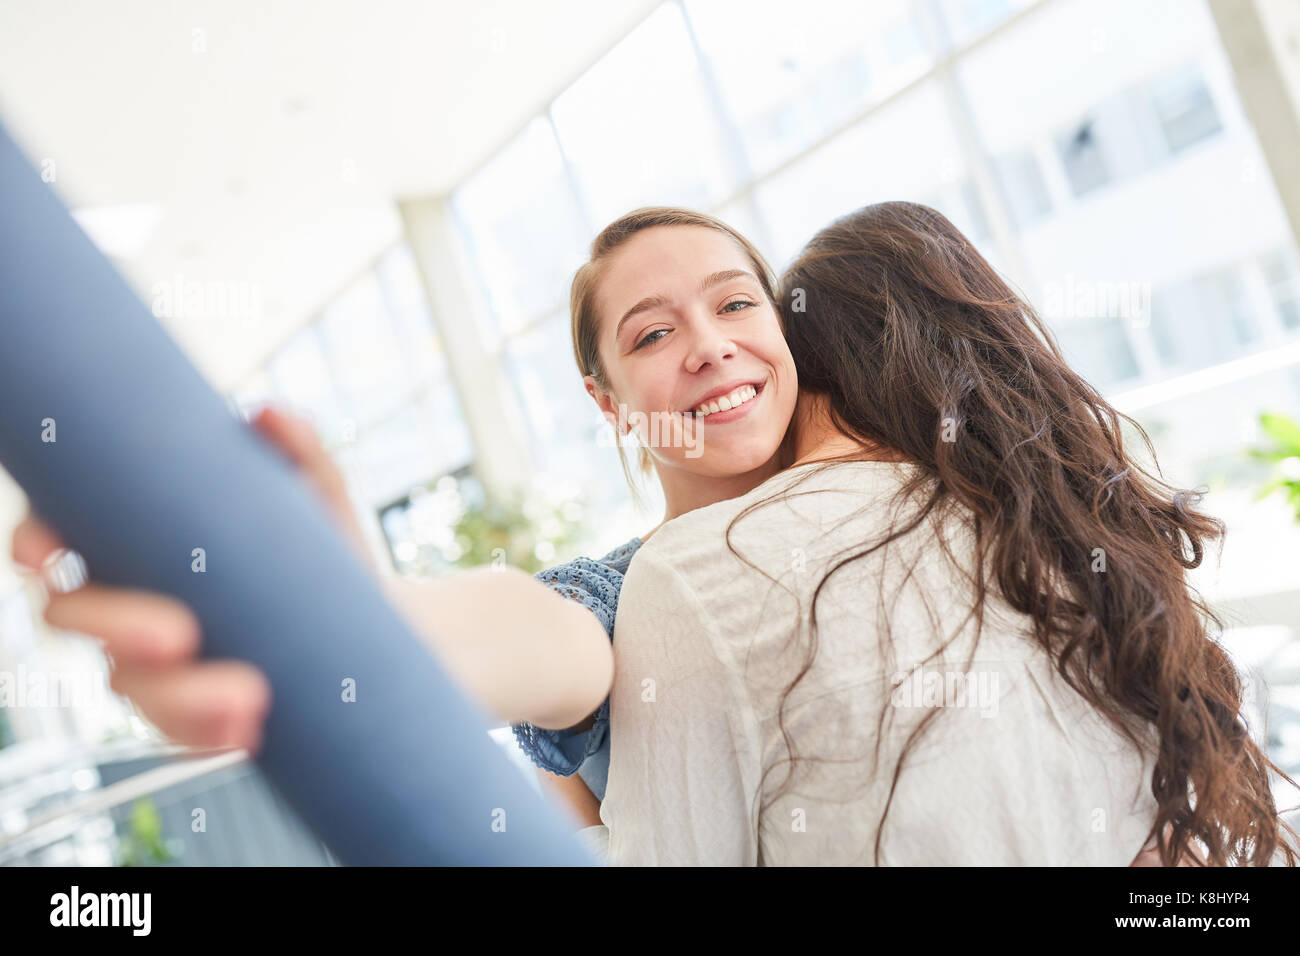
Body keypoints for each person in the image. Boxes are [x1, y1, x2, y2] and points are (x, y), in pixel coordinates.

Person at [598, 201, 1298, 866]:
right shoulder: (1052, 527)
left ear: (801, 346)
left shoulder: (689, 571)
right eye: (654, 333)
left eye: (736, 304)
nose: (712, 348)